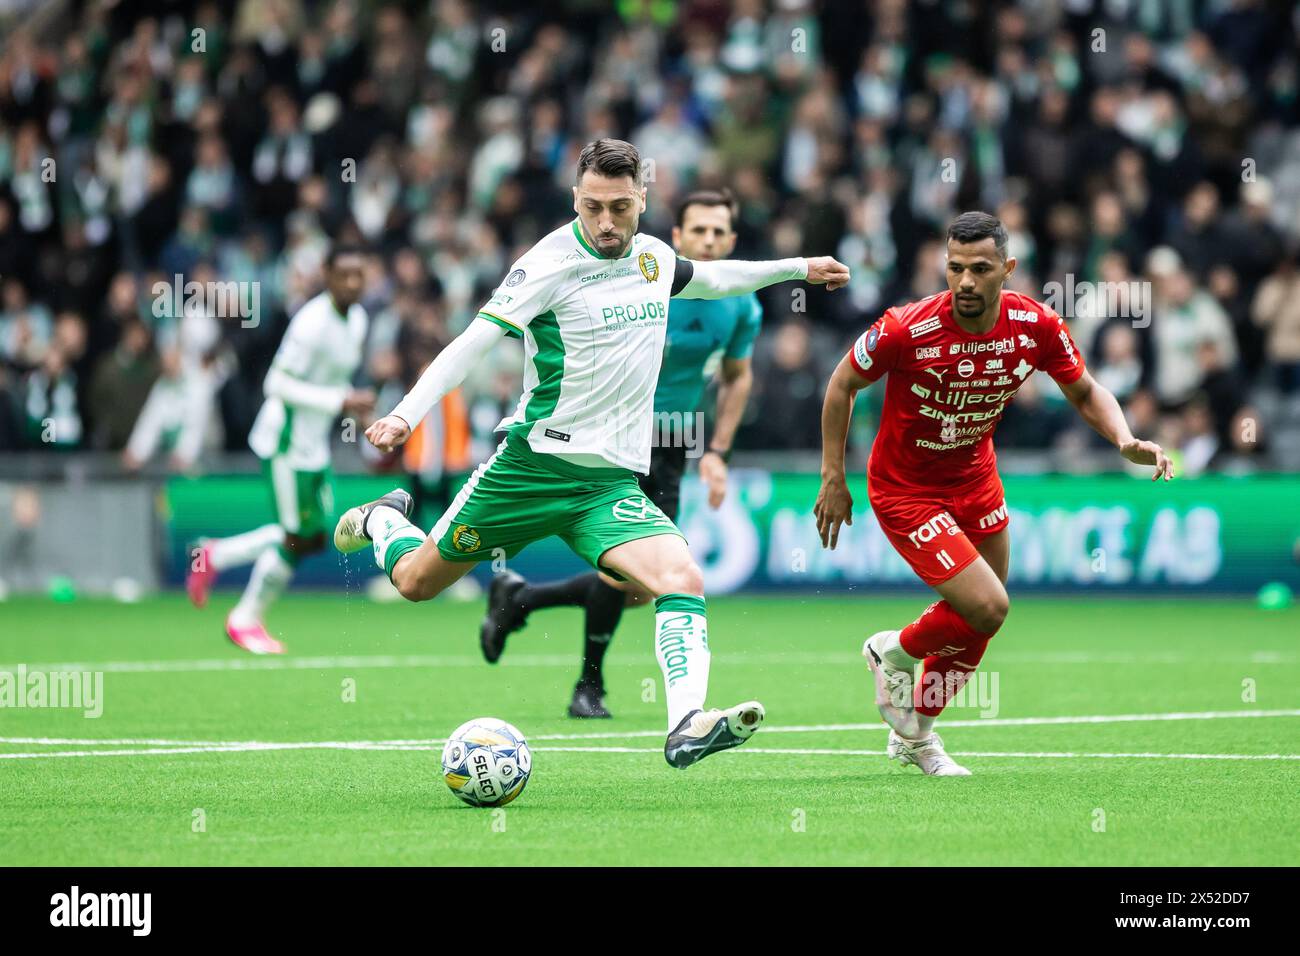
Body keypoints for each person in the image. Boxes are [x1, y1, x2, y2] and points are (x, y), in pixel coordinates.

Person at [333, 139, 849, 768]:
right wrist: (404, 415)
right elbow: (471, 342)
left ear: (643, 199)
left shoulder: (655, 259)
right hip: (531, 470)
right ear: (576, 199)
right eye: (593, 207)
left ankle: (686, 723)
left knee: (681, 577)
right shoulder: (545, 264)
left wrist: (796, 268)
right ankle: (385, 518)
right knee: (416, 583)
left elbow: (711, 279)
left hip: (607, 486)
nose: (606, 222)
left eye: (620, 207)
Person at [815, 211, 1172, 776]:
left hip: (977, 480)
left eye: (980, 269)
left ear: (1006, 268)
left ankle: (917, 736)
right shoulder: (907, 328)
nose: (965, 282)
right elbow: (842, 384)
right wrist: (833, 477)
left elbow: (1084, 390)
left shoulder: (1036, 326)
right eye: (954, 268)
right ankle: (896, 650)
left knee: (983, 619)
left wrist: (1124, 438)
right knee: (988, 604)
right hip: (906, 488)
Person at [478, 188, 764, 719]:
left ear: (732, 240)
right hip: (614, 436)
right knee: (624, 575)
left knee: (640, 584)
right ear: (675, 238)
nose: (707, 239)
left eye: (718, 231)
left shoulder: (742, 304)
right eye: (697, 230)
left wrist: (718, 450)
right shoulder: (647, 278)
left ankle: (520, 599)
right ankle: (589, 687)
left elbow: (737, 376)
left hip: (675, 440)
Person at [187, 245, 375, 653]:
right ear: (326, 276)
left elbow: (332, 379)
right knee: (295, 538)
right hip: (285, 442)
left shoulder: (358, 320)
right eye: (344, 275)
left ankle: (212, 555)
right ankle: (244, 619)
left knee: (314, 537)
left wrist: (356, 410)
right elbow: (276, 384)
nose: (353, 283)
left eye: (359, 275)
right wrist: (339, 402)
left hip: (314, 446)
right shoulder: (310, 324)